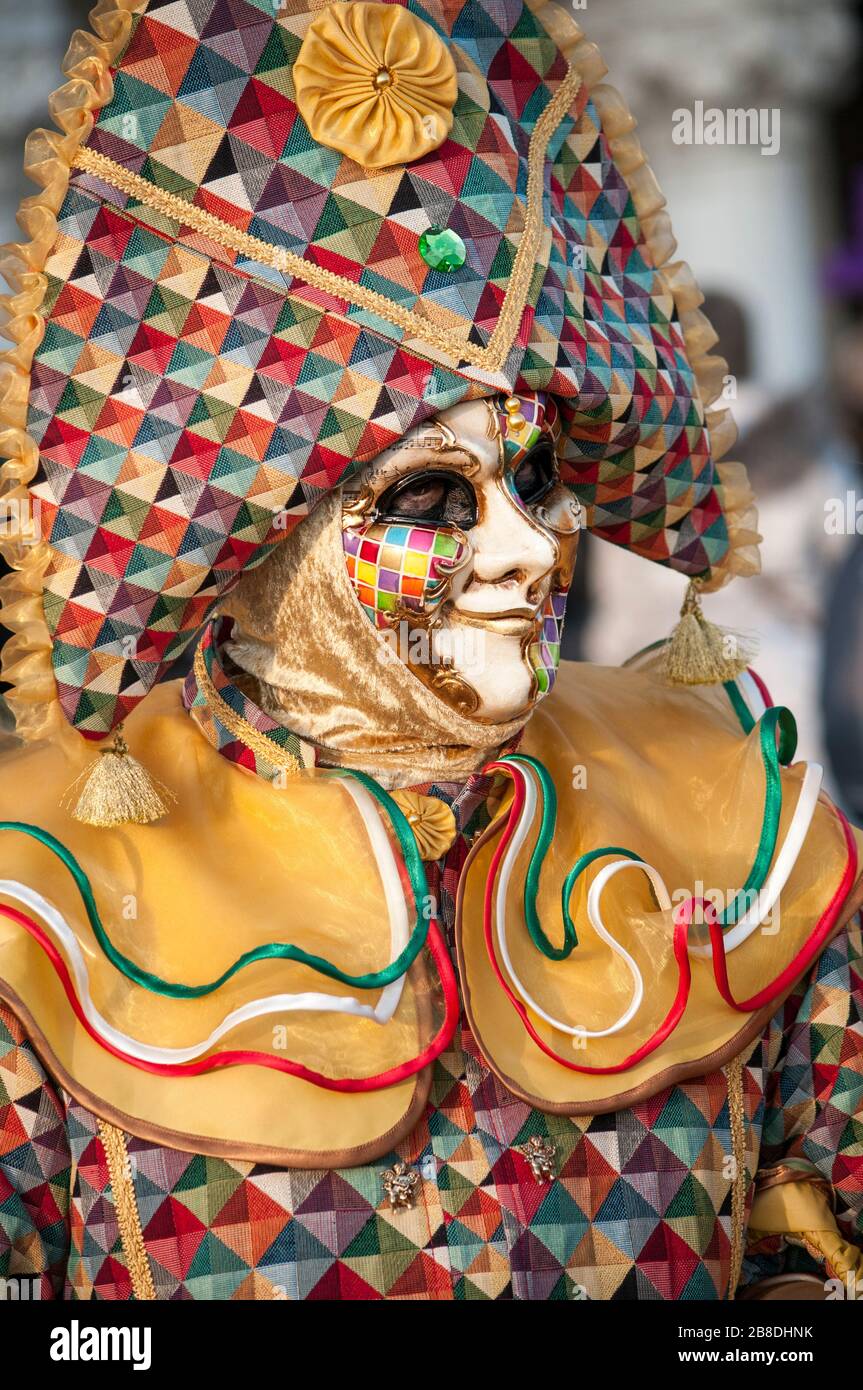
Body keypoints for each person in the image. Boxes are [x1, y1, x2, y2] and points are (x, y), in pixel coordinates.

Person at [0, 0, 860, 1302]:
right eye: (430, 499)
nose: (532, 548)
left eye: (533, 476)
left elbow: (820, 1248)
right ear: (262, 548)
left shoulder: (742, 825)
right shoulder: (38, 915)